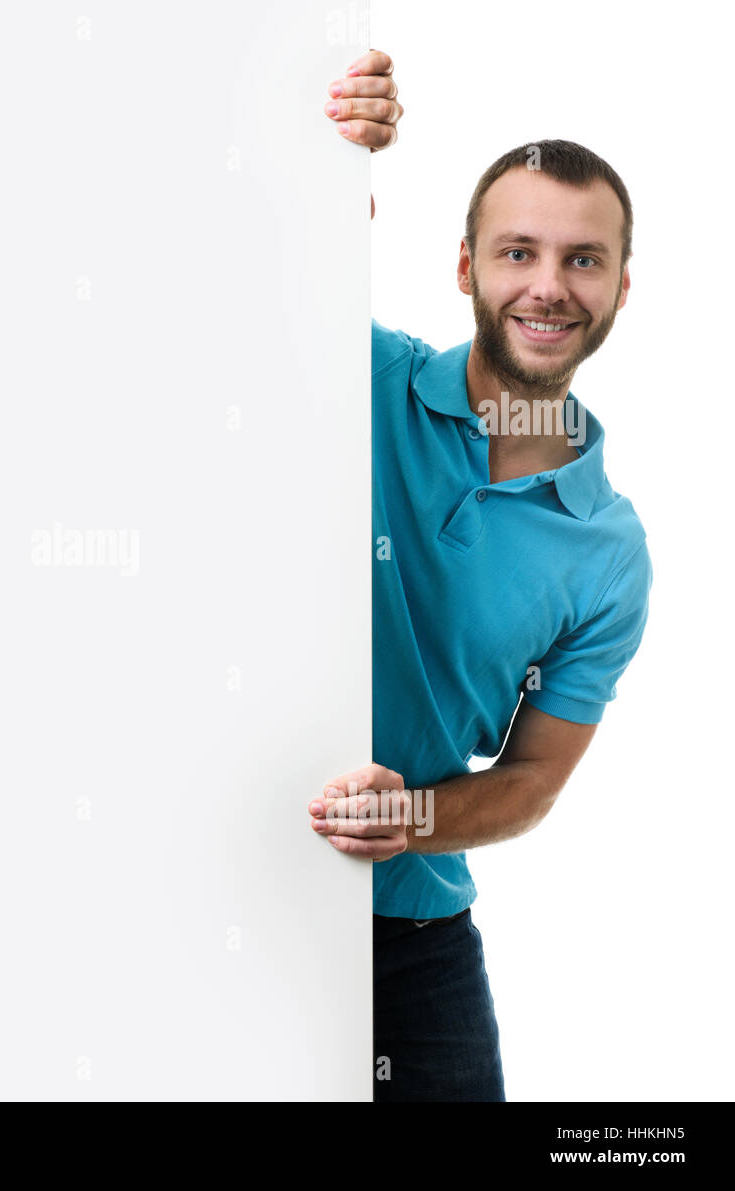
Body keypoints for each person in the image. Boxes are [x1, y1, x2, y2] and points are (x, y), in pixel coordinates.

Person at [313, 51, 652, 1101]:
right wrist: (324, 152)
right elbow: (231, 270)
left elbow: (534, 778)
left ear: (621, 288)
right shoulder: (351, 373)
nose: (547, 286)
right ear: (464, 266)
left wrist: (405, 819)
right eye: (517, 252)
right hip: (232, 878)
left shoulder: (609, 553)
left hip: (413, 927)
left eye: (583, 260)